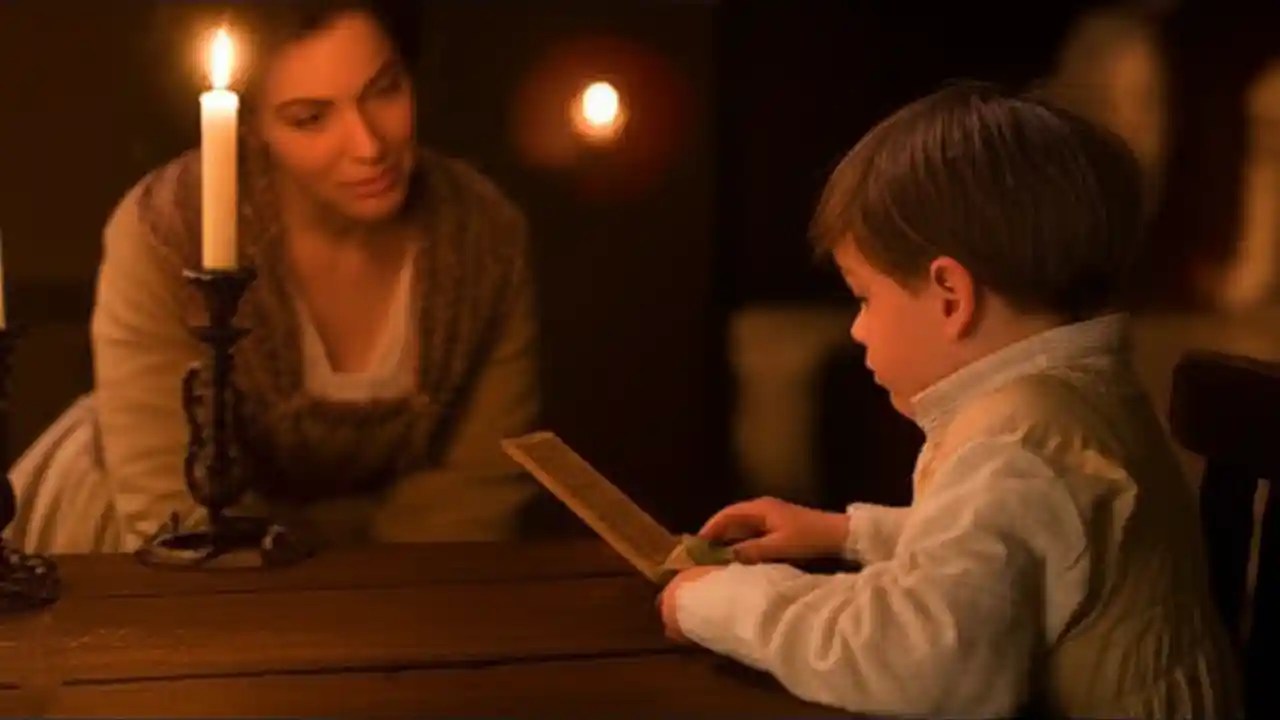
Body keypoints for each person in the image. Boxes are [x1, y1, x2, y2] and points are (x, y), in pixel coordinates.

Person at [658, 83, 1243, 718]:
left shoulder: (1014, 446)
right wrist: (845, 533)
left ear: (950, 296)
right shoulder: (1080, 398)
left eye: (864, 297)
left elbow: (921, 664)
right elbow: (1017, 548)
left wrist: (721, 602)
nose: (857, 329)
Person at [5, 0, 544, 553]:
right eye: (310, 118)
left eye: (384, 90)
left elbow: (475, 492)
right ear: (249, 125)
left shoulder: (483, 239)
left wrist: (385, 614)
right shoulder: (167, 233)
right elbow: (172, 507)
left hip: (405, 579)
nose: (368, 146)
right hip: (157, 552)